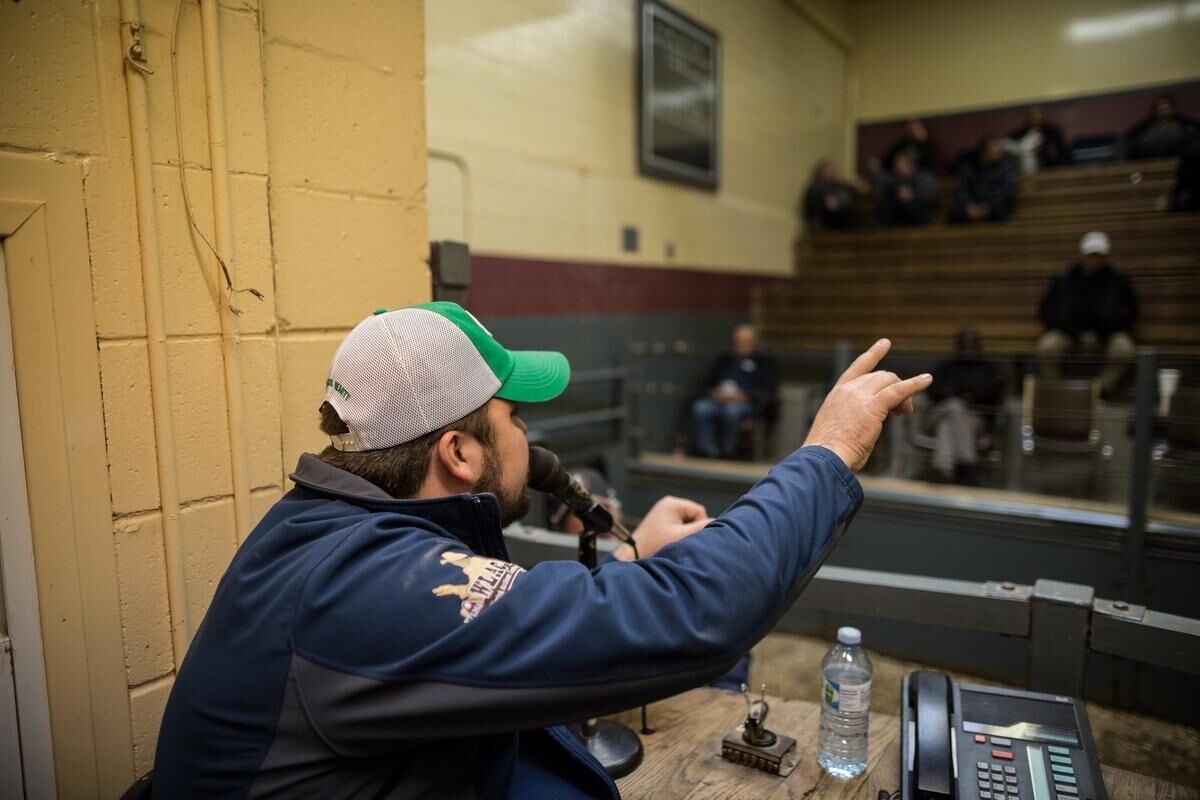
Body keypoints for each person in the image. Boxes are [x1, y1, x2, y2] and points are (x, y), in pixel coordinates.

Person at [153, 300, 930, 798]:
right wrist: (829, 451)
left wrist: (631, 564)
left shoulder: (325, 531)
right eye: (516, 417)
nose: (529, 435)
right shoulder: (355, 587)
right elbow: (695, 614)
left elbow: (484, 607)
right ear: (459, 453)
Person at [1037, 232, 1139, 396]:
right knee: (1047, 346)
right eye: (1091, 254)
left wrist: (1103, 331)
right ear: (1083, 255)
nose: (1094, 259)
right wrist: (1074, 331)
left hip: (1108, 334)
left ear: (1105, 256)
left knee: (1124, 349)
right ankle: (1056, 389)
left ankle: (1101, 389)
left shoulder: (1119, 281)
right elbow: (1047, 310)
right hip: (1069, 332)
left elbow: (1130, 311)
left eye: (1098, 255)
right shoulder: (1065, 280)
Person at [923, 328, 1003, 485]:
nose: (969, 348)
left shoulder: (989, 369)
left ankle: (943, 470)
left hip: (974, 420)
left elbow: (992, 394)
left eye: (972, 344)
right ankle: (968, 465)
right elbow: (933, 391)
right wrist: (961, 395)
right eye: (965, 344)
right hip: (938, 413)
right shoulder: (945, 367)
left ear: (979, 345)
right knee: (954, 405)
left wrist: (957, 392)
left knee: (946, 426)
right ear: (957, 345)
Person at [691, 323, 779, 459]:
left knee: (732, 412)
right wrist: (715, 393)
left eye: (745, 342)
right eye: (738, 341)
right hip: (719, 401)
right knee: (701, 407)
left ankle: (728, 453)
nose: (741, 345)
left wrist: (745, 396)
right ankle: (705, 451)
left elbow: (768, 389)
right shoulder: (724, 359)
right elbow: (708, 382)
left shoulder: (763, 362)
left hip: (747, 404)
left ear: (754, 342)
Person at [950, 138, 1017, 223]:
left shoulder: (1005, 167)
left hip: (994, 206)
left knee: (1001, 208)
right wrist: (969, 205)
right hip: (972, 206)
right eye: (995, 153)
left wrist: (987, 205)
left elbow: (1008, 188)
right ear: (984, 153)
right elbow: (961, 188)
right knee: (955, 213)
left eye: (999, 152)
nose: (999, 155)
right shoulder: (969, 167)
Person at [1125, 94, 1199, 160]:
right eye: (1161, 108)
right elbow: (1131, 136)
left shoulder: (1182, 122)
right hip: (1151, 156)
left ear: (1173, 108)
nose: (1164, 110)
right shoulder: (1148, 123)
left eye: (1167, 108)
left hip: (1180, 154)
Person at [876, 150, 938, 226]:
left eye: (900, 165)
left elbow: (931, 194)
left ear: (909, 165)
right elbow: (881, 180)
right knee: (891, 202)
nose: (896, 168)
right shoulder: (894, 178)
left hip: (920, 212)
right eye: (895, 165)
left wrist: (913, 195)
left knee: (907, 204)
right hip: (898, 214)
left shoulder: (922, 177)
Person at [803, 158, 865, 230]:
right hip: (825, 217)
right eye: (828, 170)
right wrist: (826, 200)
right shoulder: (816, 186)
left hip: (841, 212)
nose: (832, 172)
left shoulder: (838, 183)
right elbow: (814, 202)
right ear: (821, 172)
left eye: (832, 170)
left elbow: (848, 189)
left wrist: (859, 185)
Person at [1007, 106, 1067, 173]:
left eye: (1038, 116)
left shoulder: (1052, 132)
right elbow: (1008, 142)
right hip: (1028, 172)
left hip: (1051, 170)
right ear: (1028, 118)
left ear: (1043, 117)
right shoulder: (1022, 133)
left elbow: (1059, 151)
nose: (1035, 119)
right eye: (1032, 116)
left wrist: (1041, 149)